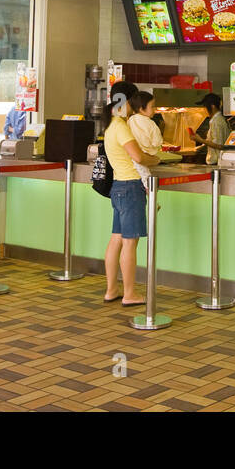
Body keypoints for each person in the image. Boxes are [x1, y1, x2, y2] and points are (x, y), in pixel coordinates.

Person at [101, 81, 158, 306]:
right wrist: (156, 159)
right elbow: (138, 157)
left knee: (116, 240)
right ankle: (130, 293)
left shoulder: (110, 124)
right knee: (130, 243)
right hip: (130, 187)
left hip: (118, 187)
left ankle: (111, 289)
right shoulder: (121, 126)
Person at [128, 90, 164, 177]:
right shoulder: (151, 124)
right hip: (147, 158)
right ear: (141, 109)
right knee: (147, 183)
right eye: (152, 107)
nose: (155, 109)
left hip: (132, 158)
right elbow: (157, 142)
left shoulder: (130, 120)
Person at [192, 92, 230, 166]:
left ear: (212, 107)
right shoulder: (218, 119)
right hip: (218, 161)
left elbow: (219, 145)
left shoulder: (217, 121)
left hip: (218, 163)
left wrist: (200, 140)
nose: (204, 110)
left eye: (205, 107)